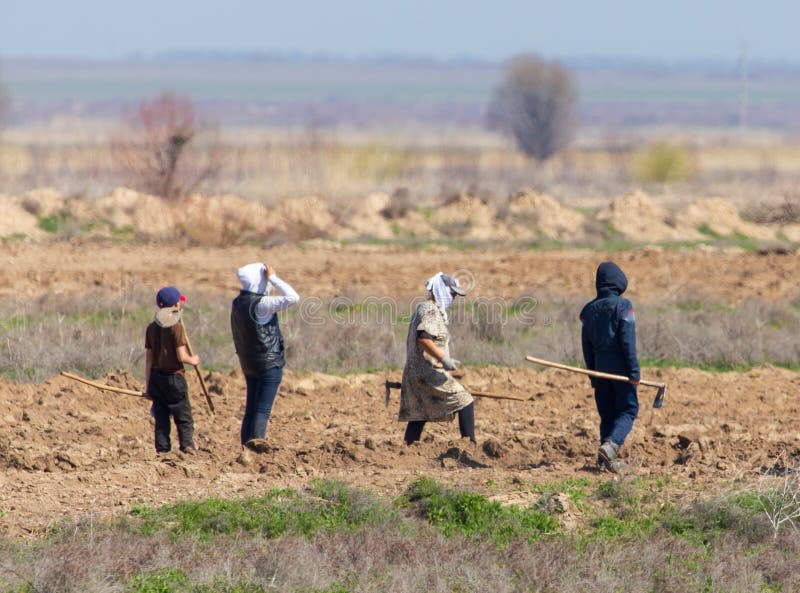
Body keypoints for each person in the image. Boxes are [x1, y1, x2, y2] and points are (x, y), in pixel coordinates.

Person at [398, 272, 475, 445]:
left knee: (420, 413)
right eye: (452, 294)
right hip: (427, 371)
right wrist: (444, 359)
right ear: (442, 291)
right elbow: (424, 339)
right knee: (464, 400)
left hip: (414, 371)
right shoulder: (430, 310)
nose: (453, 298)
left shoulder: (424, 307)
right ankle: (469, 446)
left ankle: (408, 449)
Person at [231, 262, 300, 453]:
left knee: (251, 408)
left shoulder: (238, 303)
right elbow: (293, 297)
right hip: (269, 363)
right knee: (262, 410)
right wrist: (274, 278)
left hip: (249, 363)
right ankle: (257, 448)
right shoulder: (262, 304)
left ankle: (245, 450)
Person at [580, 261, 640, 473]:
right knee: (628, 410)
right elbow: (627, 342)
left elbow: (586, 347)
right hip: (621, 373)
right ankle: (611, 445)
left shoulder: (587, 311)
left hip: (599, 371)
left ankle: (606, 460)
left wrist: (592, 375)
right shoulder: (623, 307)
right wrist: (634, 372)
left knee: (607, 415)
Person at [144, 286, 200, 454]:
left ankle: (162, 450)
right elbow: (181, 356)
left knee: (161, 418)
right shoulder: (176, 327)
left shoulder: (151, 328)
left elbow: (148, 360)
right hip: (174, 379)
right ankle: (187, 446)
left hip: (156, 379)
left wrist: (148, 387)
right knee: (183, 416)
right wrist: (193, 360)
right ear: (176, 304)